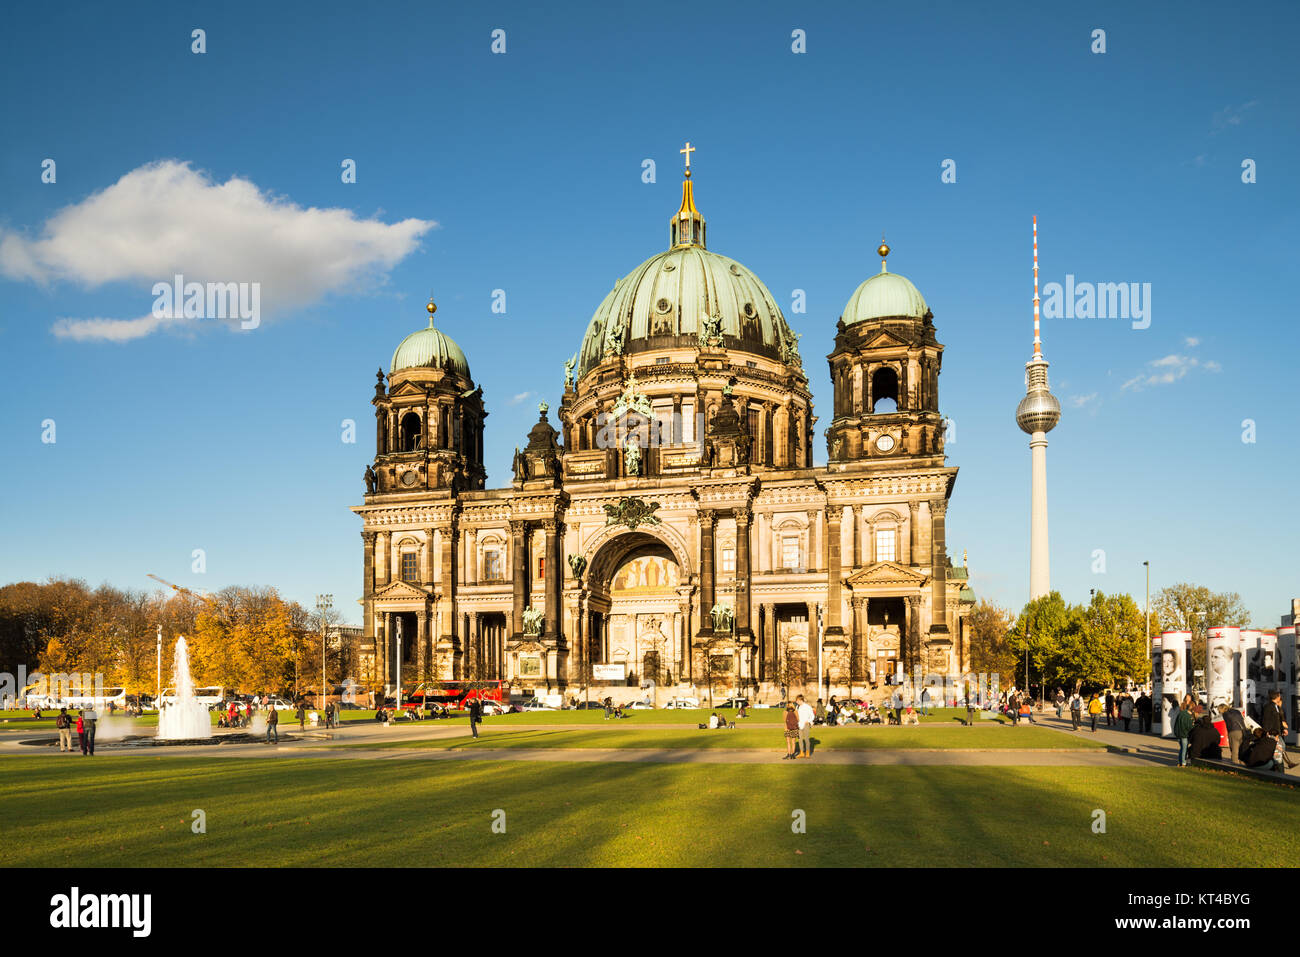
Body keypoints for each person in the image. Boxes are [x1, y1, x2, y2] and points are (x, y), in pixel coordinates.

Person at [1173, 699, 1195, 767]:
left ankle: (1179, 762)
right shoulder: (1188, 716)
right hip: (1184, 735)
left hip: (1178, 734)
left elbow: (1176, 723)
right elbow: (1189, 727)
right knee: (1184, 749)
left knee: (1182, 748)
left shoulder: (1181, 713)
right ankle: (1183, 763)